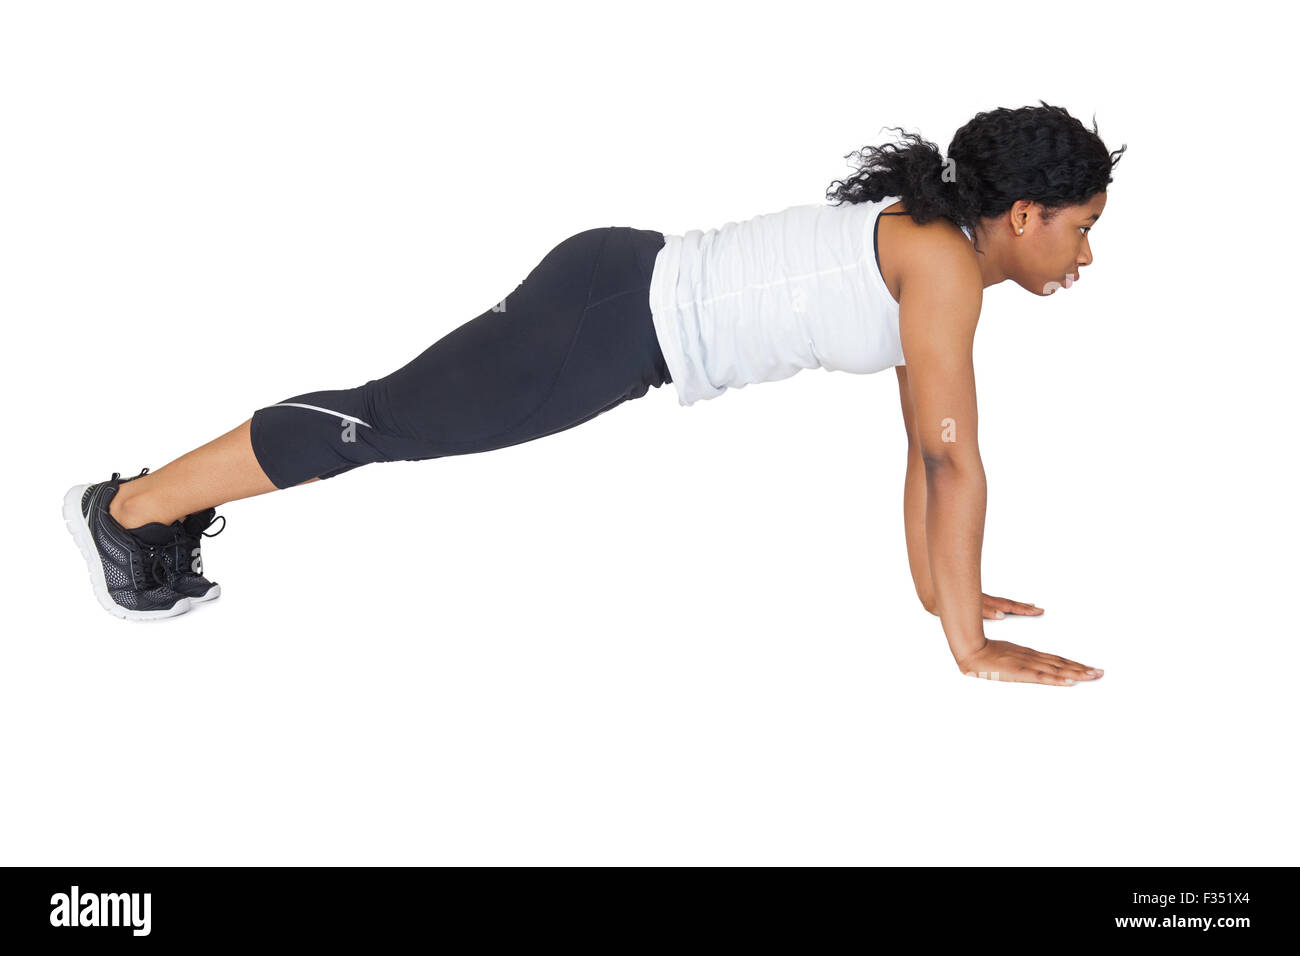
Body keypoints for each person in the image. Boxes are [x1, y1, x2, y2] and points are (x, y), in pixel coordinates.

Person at [63, 101, 1125, 686]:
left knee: (385, 418)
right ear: (1022, 213)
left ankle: (146, 504)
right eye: (1080, 225)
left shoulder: (935, 256)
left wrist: (942, 593)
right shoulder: (941, 268)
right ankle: (131, 511)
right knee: (380, 424)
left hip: (616, 295)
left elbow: (920, 445)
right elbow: (950, 457)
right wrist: (969, 647)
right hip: (608, 322)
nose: (1084, 253)